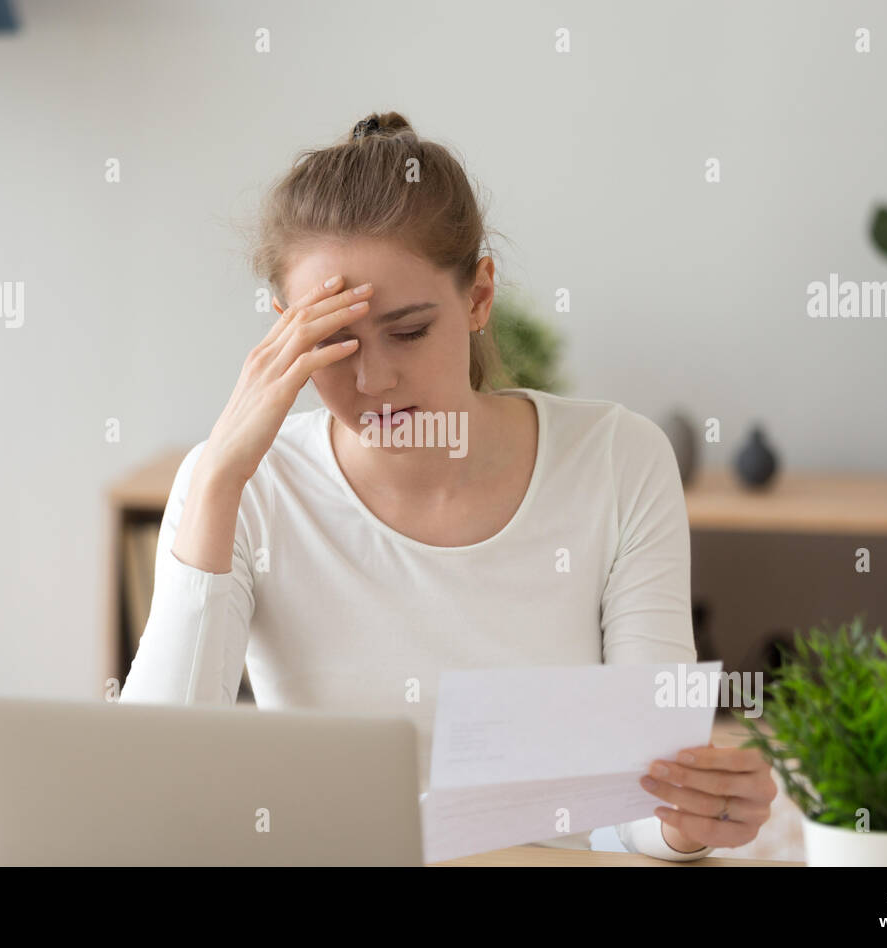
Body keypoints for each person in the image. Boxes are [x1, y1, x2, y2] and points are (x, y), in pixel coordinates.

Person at [120, 111, 775, 860]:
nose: (374, 381)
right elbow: (150, 791)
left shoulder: (619, 461)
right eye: (332, 343)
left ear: (479, 295)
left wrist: (687, 820)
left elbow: (640, 802)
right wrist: (218, 482)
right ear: (282, 336)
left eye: (407, 331)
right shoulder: (242, 489)